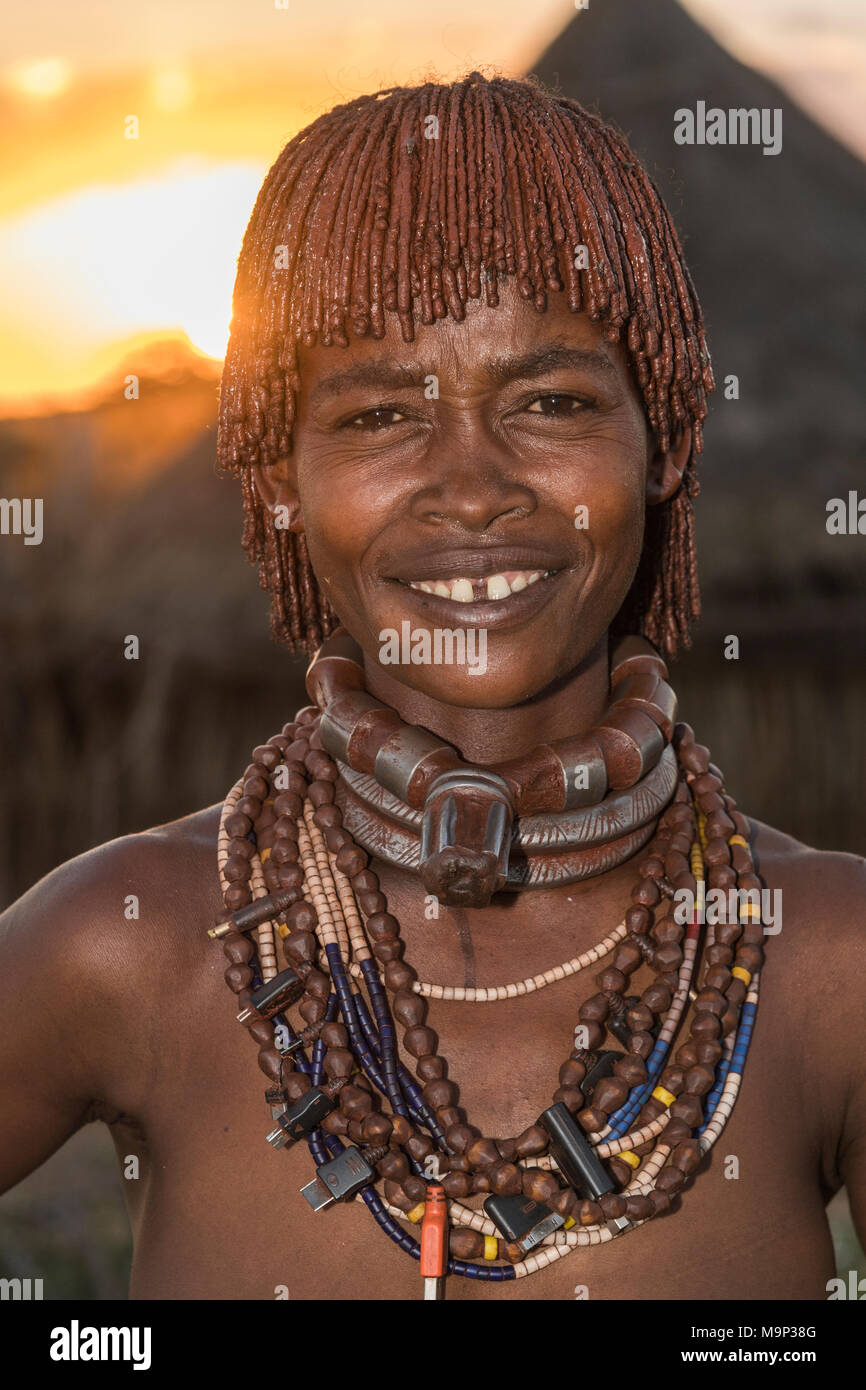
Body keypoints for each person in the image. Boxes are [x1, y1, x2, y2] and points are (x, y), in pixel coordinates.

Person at [1, 73, 863, 1302]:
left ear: (663, 438)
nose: (469, 486)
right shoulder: (129, 944)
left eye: (552, 402)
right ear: (279, 478)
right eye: (375, 417)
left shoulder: (828, 966)